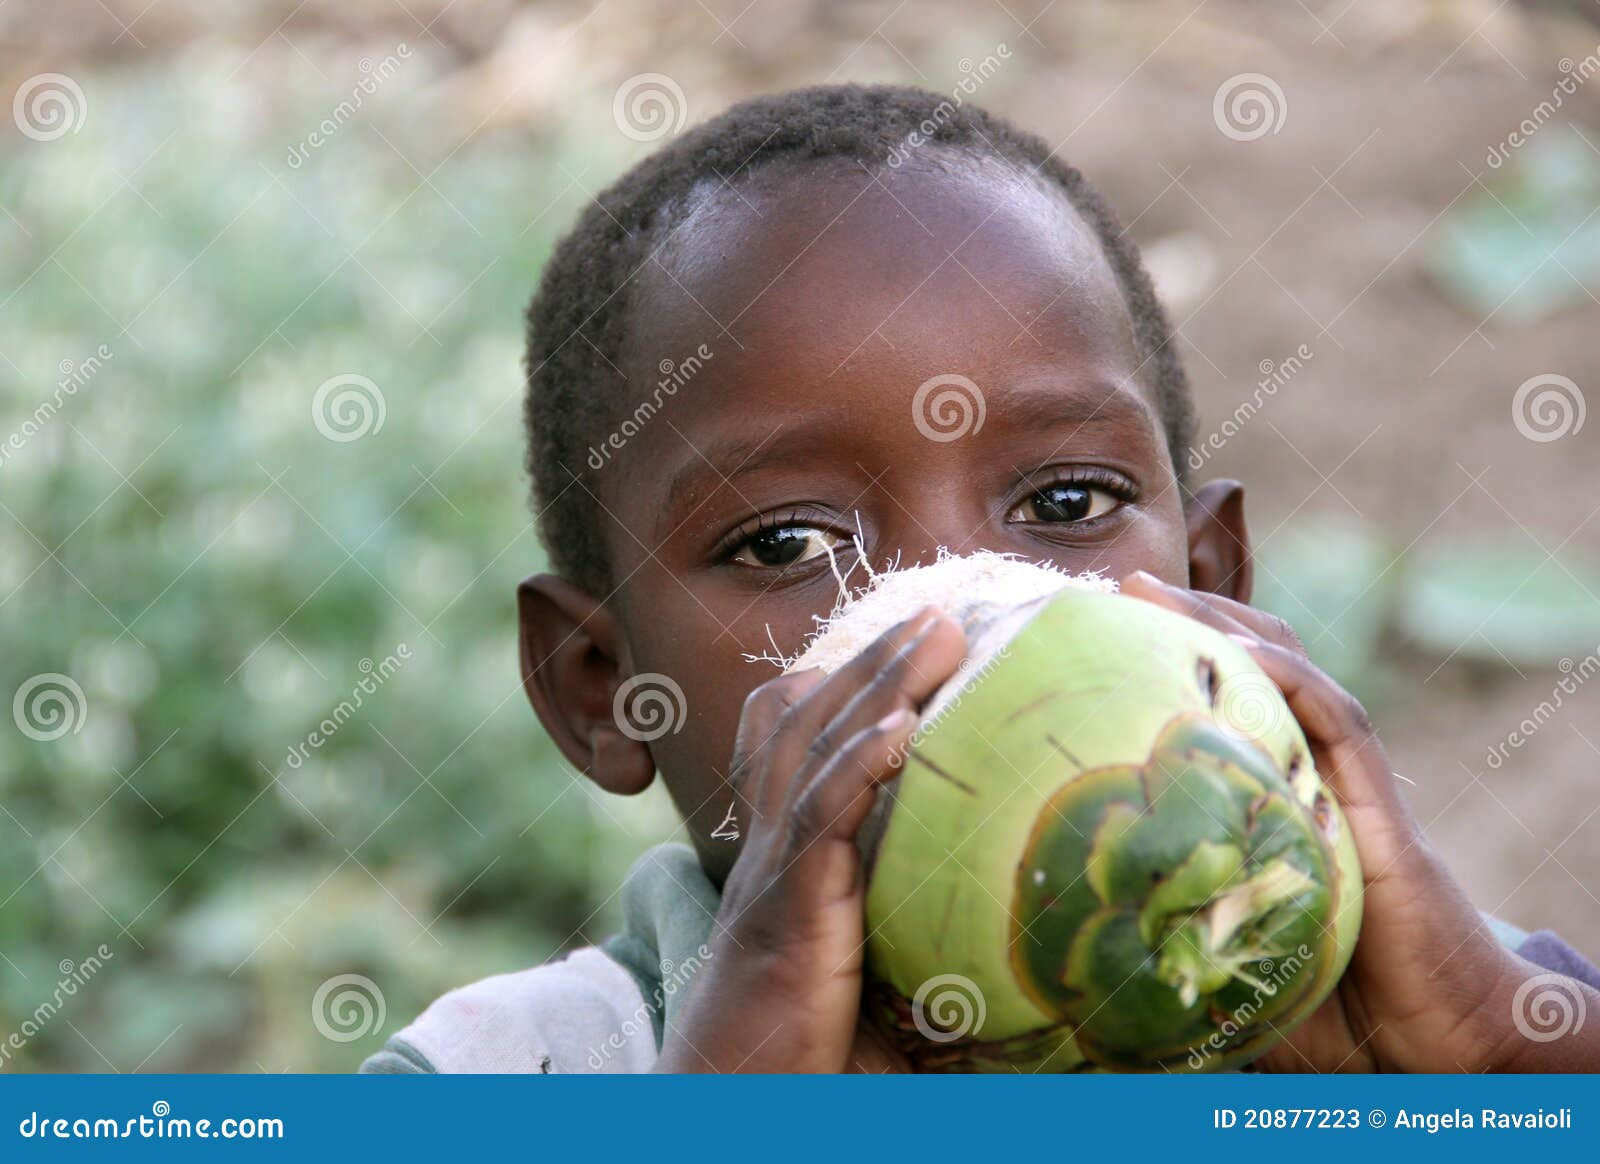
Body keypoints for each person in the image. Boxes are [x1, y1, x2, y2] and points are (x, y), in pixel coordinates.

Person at [363, 84, 1600, 1074]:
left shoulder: (1422, 1023)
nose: (962, 613)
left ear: (1209, 578)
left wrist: (1495, 1051)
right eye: (786, 545)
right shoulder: (526, 1070)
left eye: (1066, 507)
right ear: (600, 687)